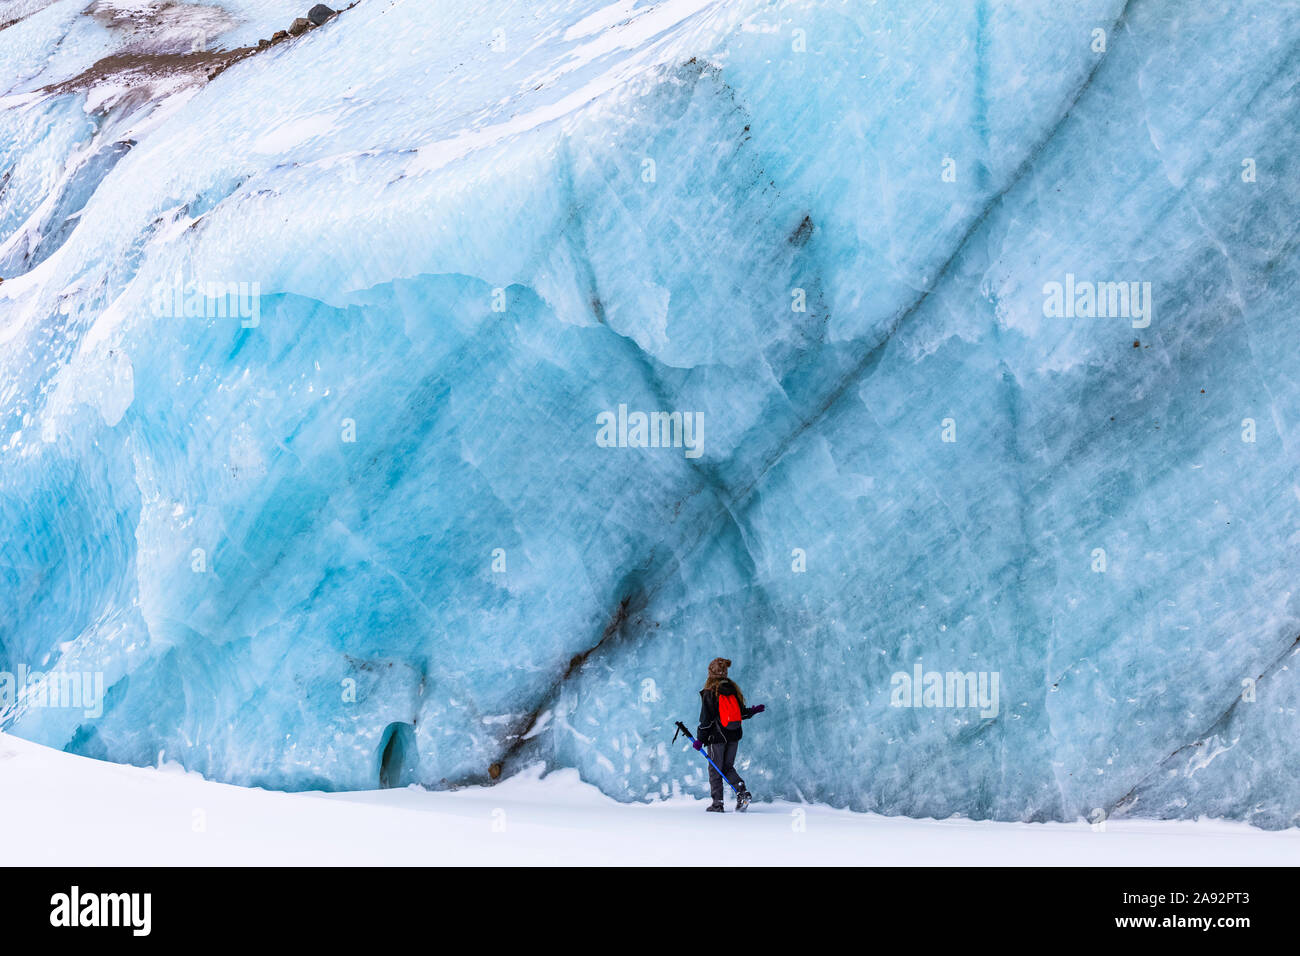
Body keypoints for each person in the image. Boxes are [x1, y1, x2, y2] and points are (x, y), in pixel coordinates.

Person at [694, 657, 765, 811]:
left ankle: (717, 804)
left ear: (711, 673)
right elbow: (740, 713)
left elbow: (706, 720)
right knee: (727, 767)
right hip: (734, 735)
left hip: (717, 738)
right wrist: (753, 711)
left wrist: (699, 739)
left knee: (715, 770)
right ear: (725, 673)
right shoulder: (732, 689)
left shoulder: (710, 692)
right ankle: (742, 791)